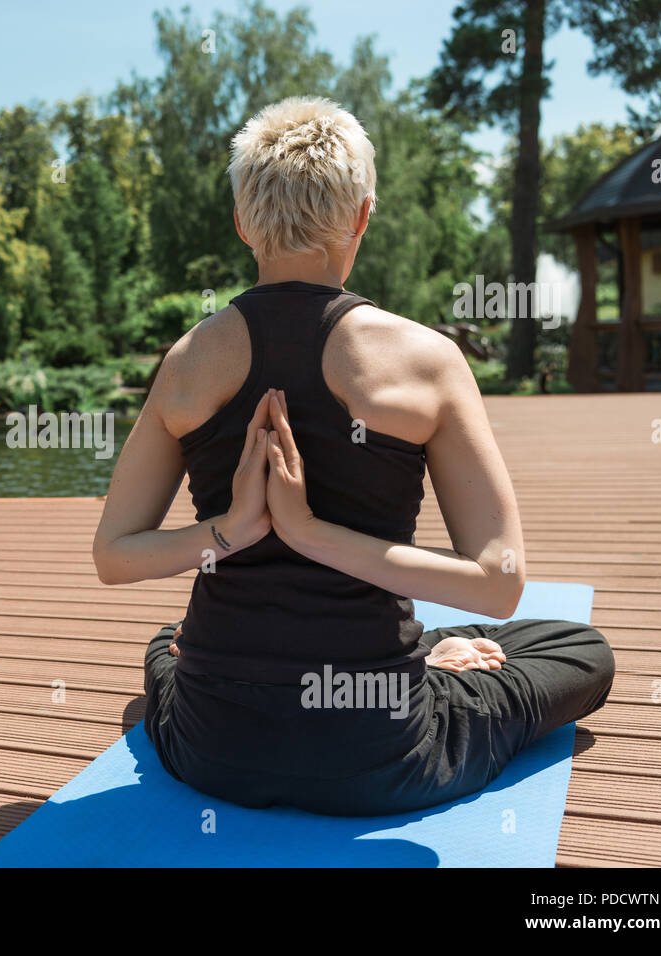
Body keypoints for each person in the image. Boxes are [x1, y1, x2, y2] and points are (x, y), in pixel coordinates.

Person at [90, 96, 613, 816]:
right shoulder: (426, 361)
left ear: (244, 222)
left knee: (167, 645)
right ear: (363, 215)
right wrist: (313, 534)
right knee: (578, 649)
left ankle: (409, 652)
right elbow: (499, 586)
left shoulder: (187, 361)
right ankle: (421, 655)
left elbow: (114, 553)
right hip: (380, 750)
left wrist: (233, 531)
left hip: (214, 745)